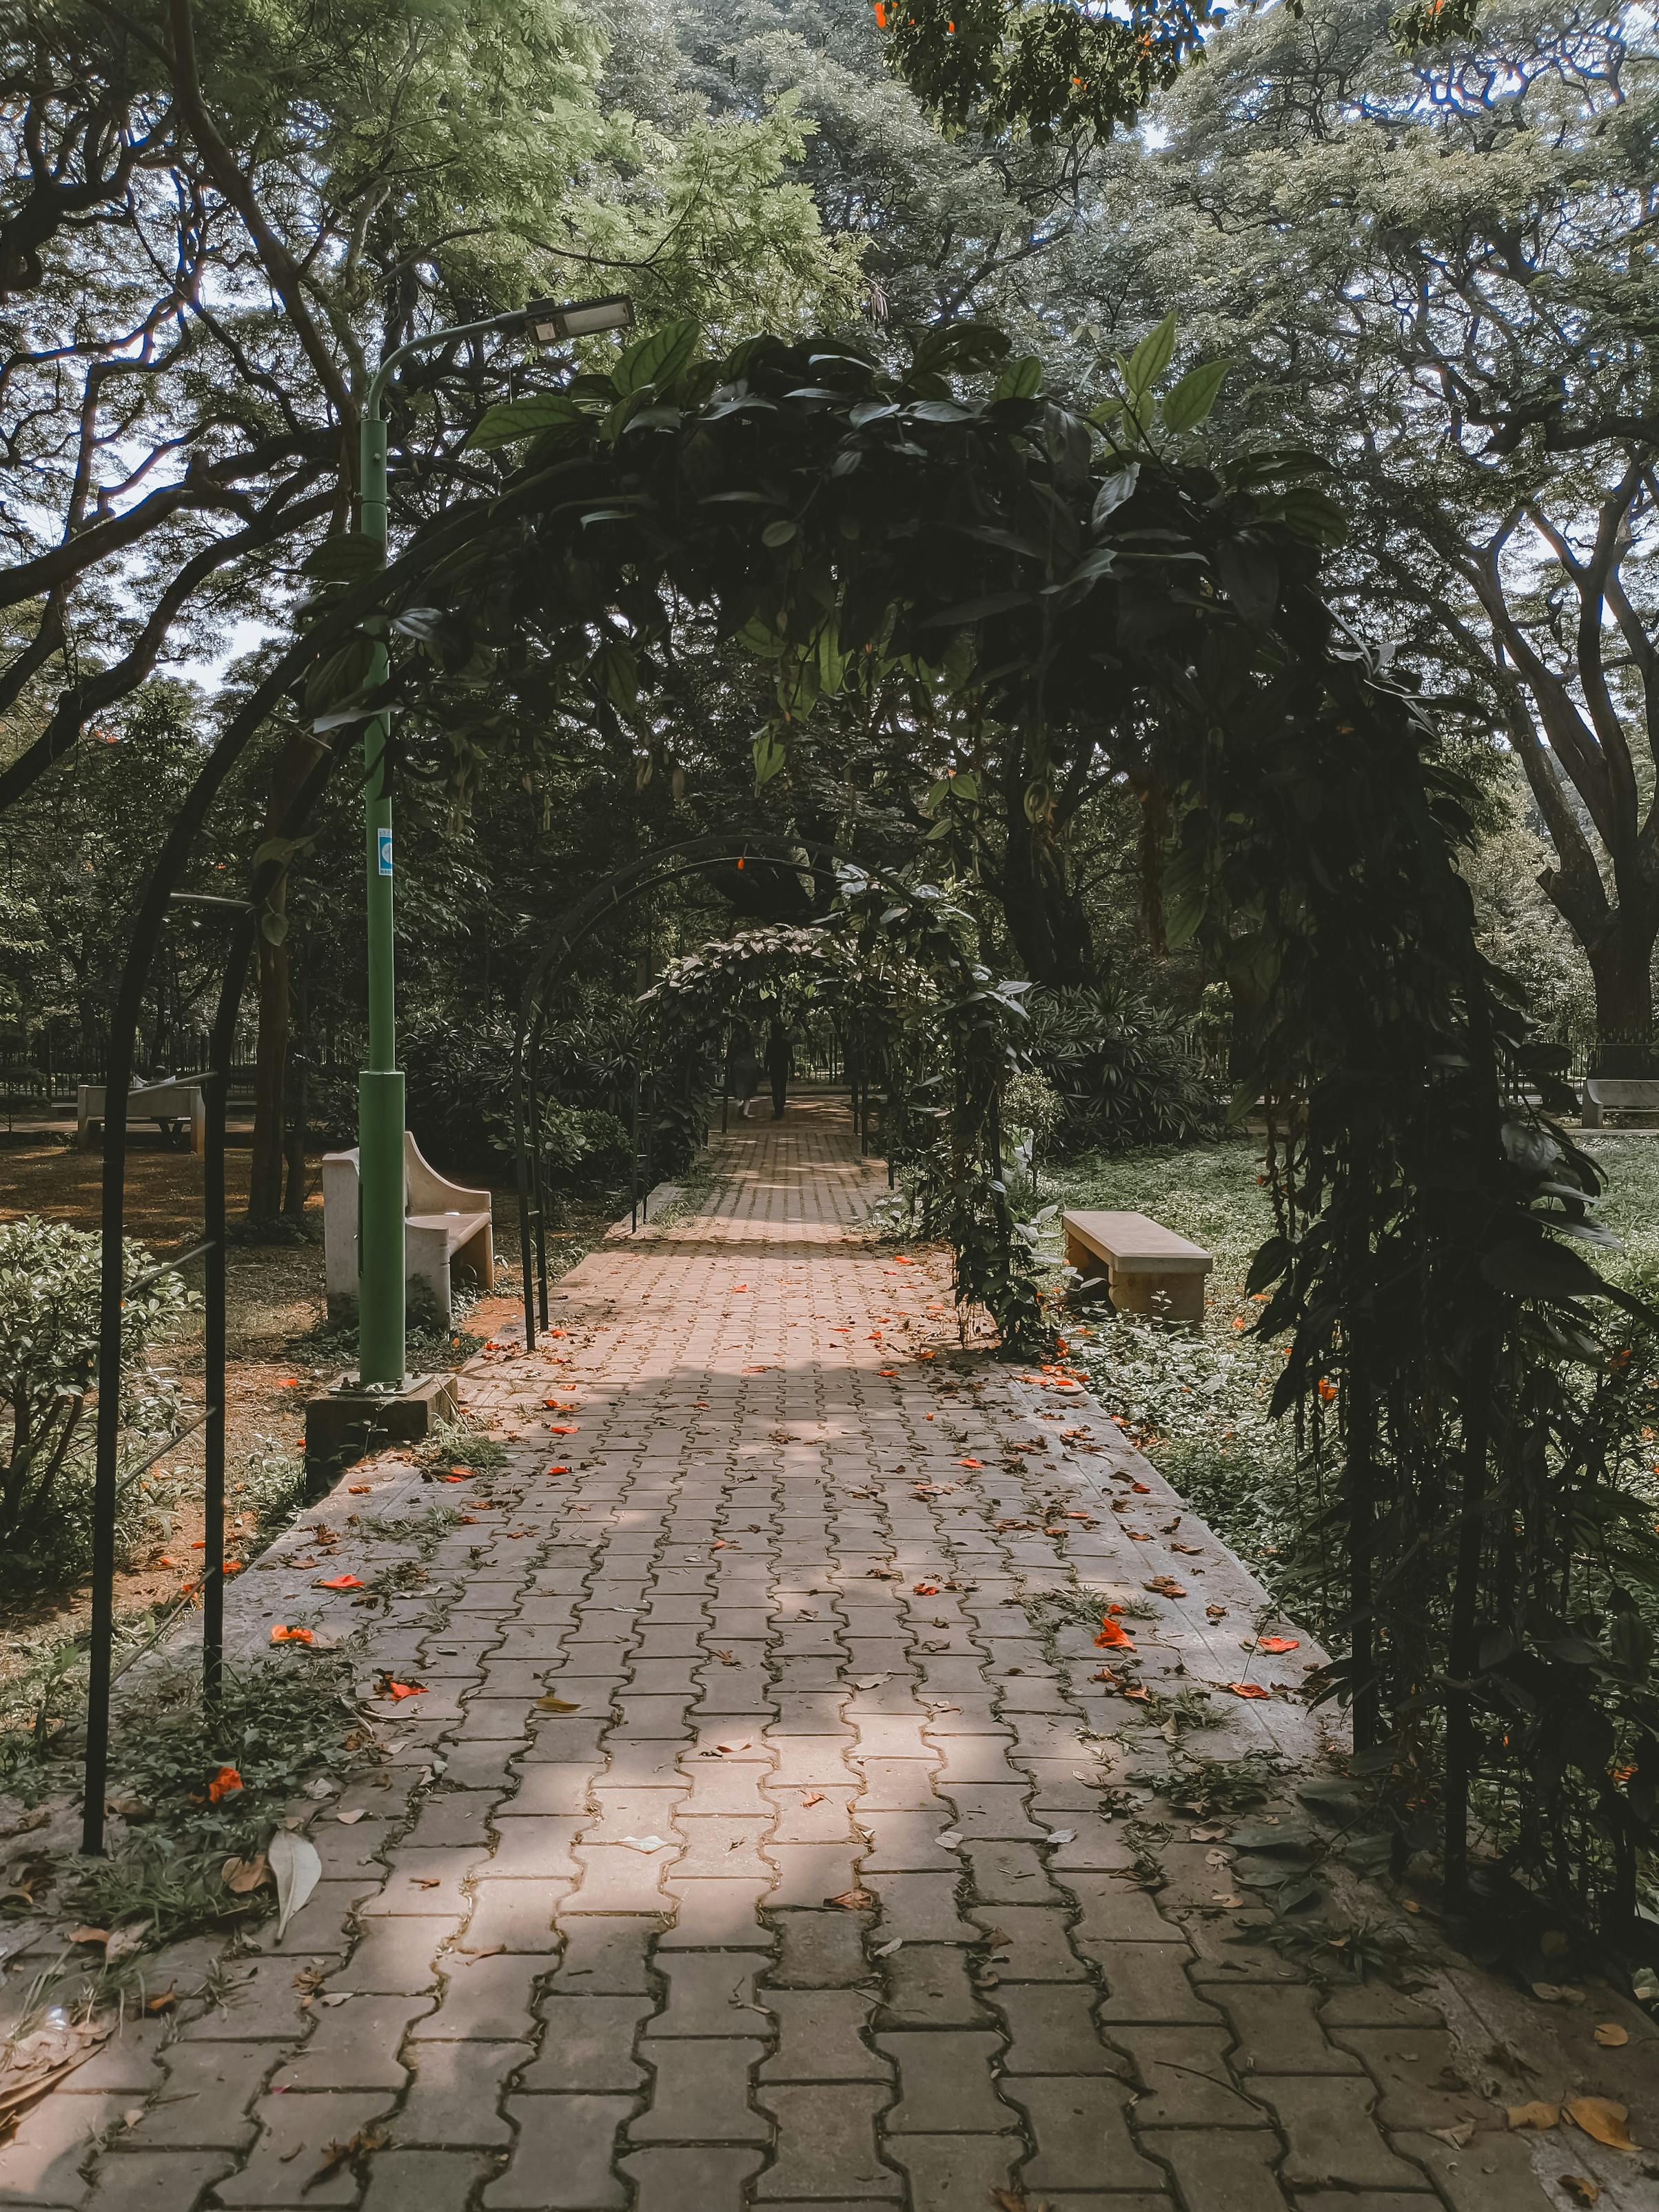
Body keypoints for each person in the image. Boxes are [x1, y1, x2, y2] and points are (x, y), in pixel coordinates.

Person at [727, 1028, 761, 1119]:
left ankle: (740, 1107)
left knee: (737, 1090)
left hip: (738, 1067)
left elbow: (730, 1055)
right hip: (750, 1067)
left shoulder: (735, 1042)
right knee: (749, 1091)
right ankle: (745, 1113)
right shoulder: (751, 1041)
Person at [764, 1019, 793, 1119]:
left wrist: (765, 1069)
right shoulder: (785, 1044)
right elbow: (791, 1059)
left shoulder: (771, 1043)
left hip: (776, 1069)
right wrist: (793, 1071)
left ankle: (779, 1109)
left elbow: (766, 1058)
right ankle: (779, 1109)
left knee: (777, 1091)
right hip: (781, 1069)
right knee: (780, 1090)